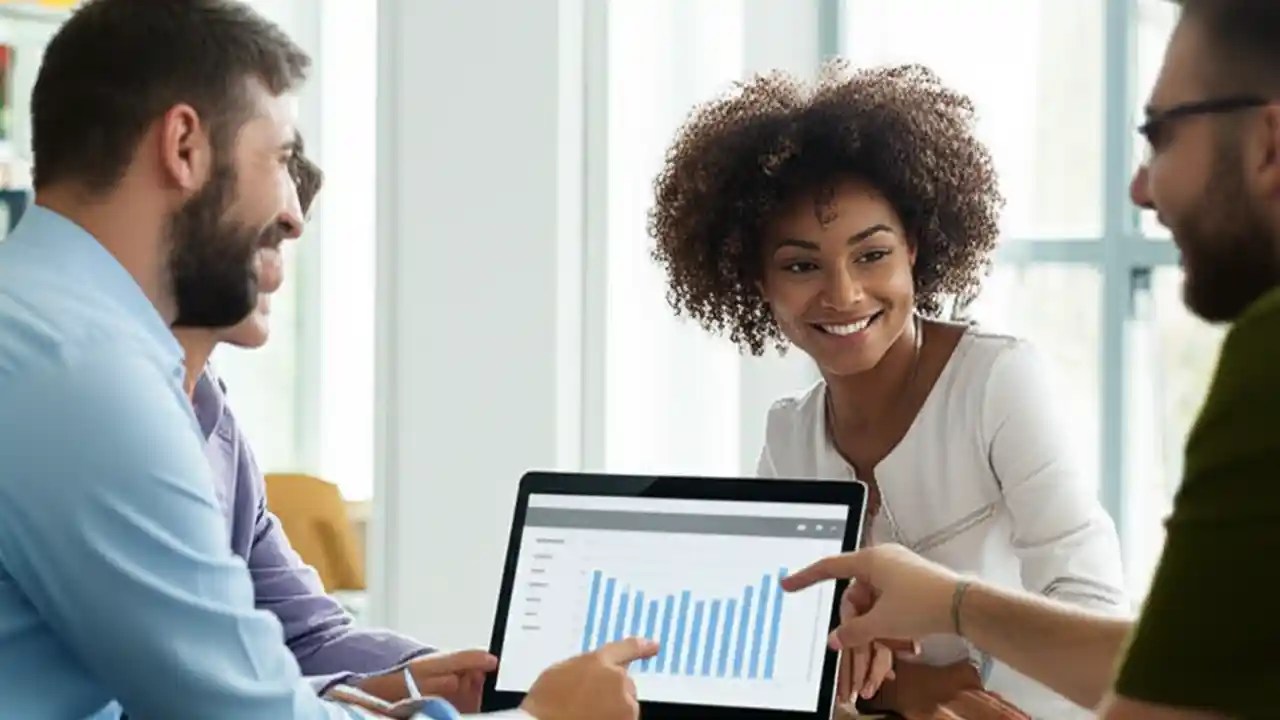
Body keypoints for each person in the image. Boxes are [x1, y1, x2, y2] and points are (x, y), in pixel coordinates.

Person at [0, 1, 653, 718]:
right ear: (183, 146)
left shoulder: (49, 329)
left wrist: (395, 692)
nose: (294, 212)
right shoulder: (84, 376)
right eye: (279, 159)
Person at [781, 0, 1280, 717]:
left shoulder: (1265, 362)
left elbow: (1152, 698)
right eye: (800, 266)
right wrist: (946, 620)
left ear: (1268, 143)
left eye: (1160, 137)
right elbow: (1174, 665)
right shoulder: (791, 431)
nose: (1139, 189)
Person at [648, 62, 1128, 717]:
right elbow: (787, 654)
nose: (843, 293)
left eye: (871, 254)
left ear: (915, 250)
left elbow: (1093, 608)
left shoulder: (998, 382)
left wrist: (969, 687)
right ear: (757, 282)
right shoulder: (790, 437)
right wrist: (912, 687)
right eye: (800, 266)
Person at [169, 147, 498, 714]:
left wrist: (425, 677)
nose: (289, 237)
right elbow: (200, 694)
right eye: (270, 236)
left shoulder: (217, 423)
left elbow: (306, 637)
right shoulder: (100, 415)